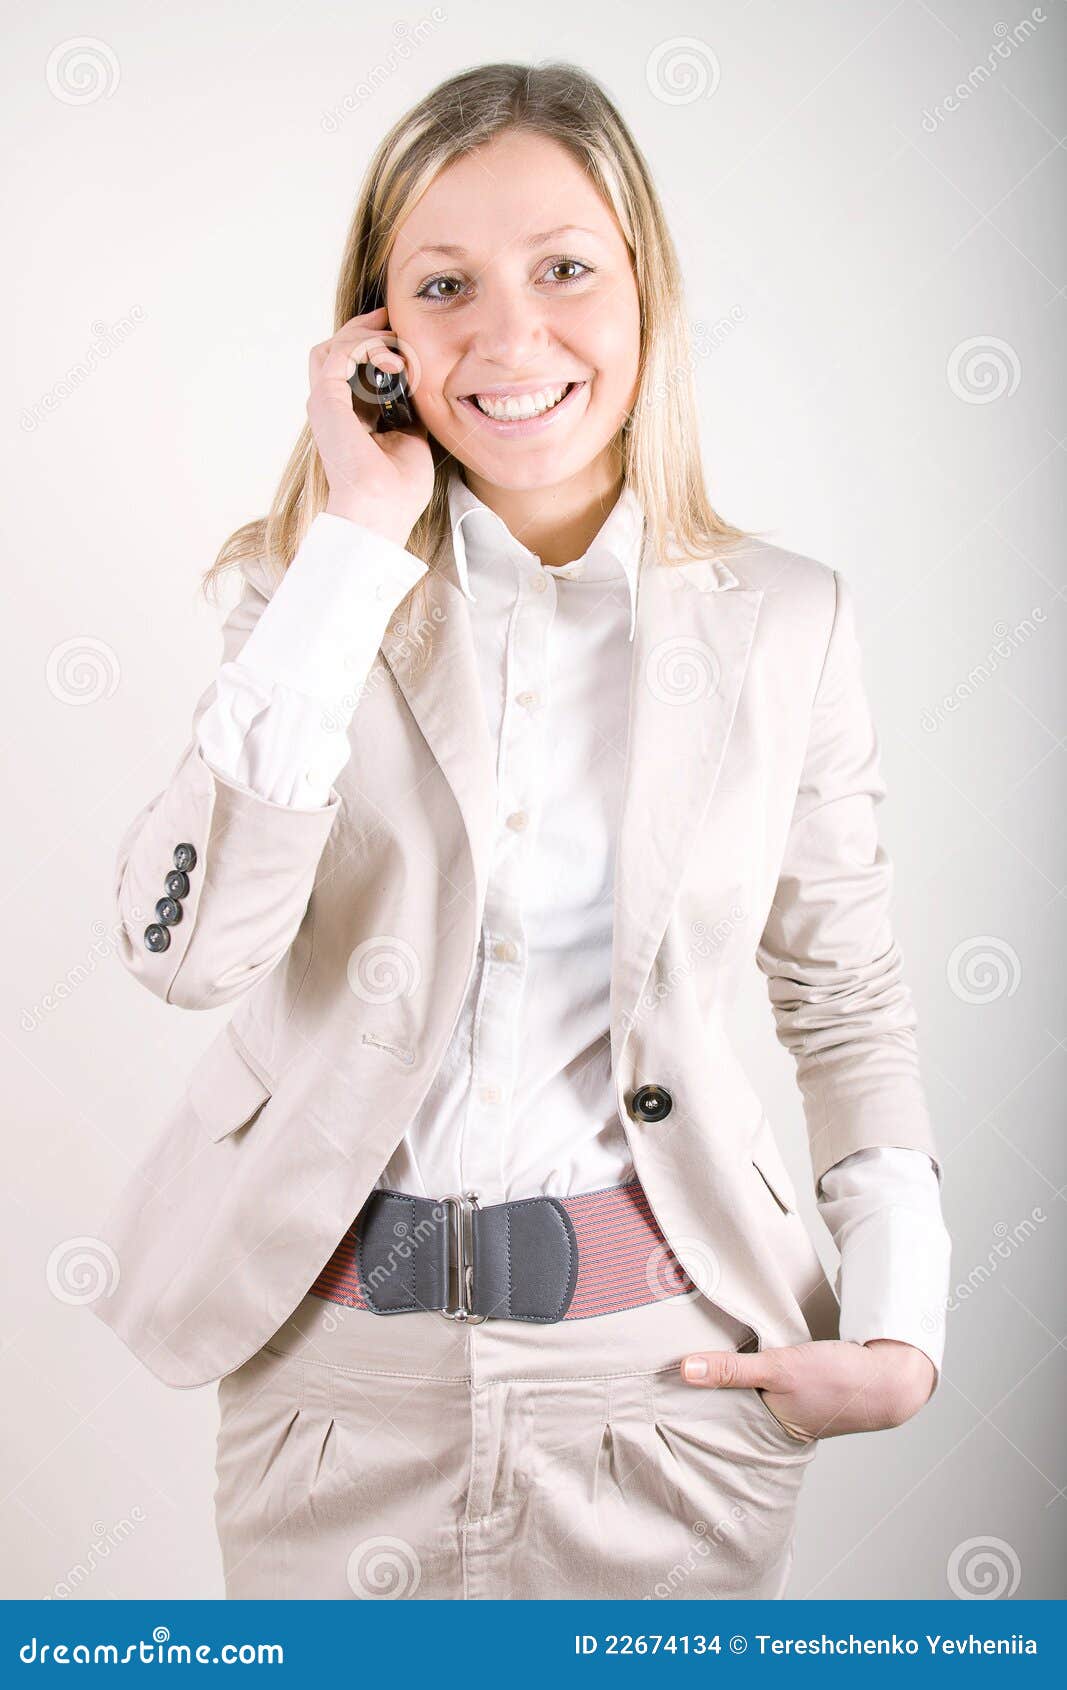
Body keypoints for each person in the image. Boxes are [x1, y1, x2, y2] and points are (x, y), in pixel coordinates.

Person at [91, 60, 951, 1601]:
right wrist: (352, 541)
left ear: (645, 287)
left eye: (563, 269)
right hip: (333, 1392)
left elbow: (846, 996)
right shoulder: (303, 598)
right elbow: (186, 955)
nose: (507, 338)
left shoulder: (785, 621)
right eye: (444, 287)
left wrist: (902, 1319)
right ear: (377, 340)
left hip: (666, 1401)